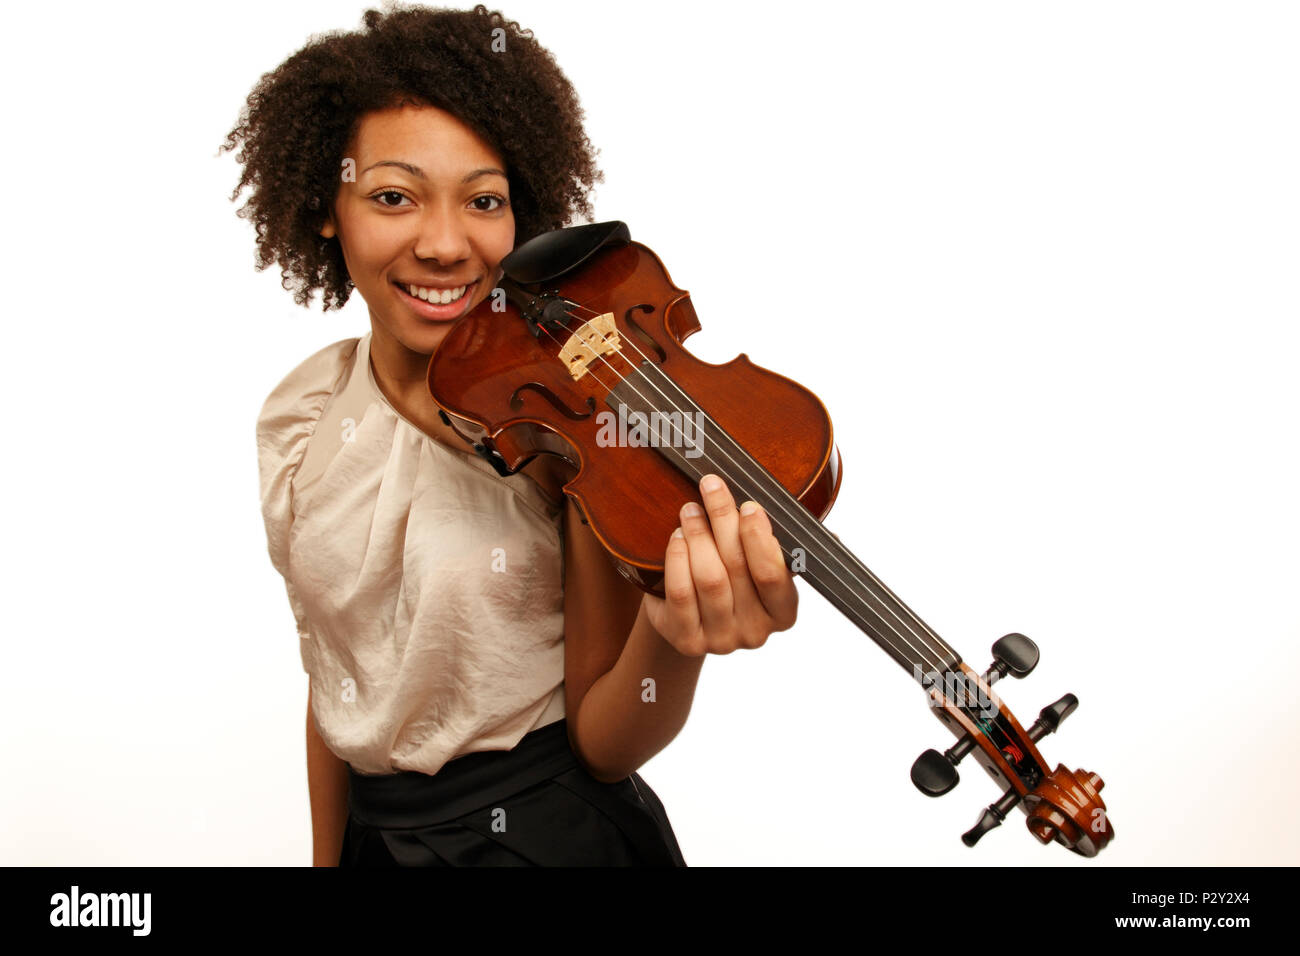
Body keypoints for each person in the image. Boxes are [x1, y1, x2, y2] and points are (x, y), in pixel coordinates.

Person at [223, 4, 799, 866]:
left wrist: (672, 637)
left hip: (546, 840)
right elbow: (337, 680)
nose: (448, 244)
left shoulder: (563, 432)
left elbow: (606, 743)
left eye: (484, 201)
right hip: (375, 840)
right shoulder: (302, 415)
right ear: (323, 208)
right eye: (393, 196)